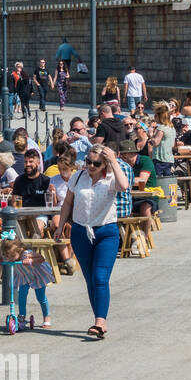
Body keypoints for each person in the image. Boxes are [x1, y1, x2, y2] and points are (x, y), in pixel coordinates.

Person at [56, 144, 129, 340]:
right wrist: (60, 225)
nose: (90, 166)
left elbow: (124, 186)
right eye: (88, 161)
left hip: (106, 232)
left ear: (104, 164)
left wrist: (114, 160)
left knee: (100, 277)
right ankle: (98, 318)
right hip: (81, 232)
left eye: (96, 163)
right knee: (90, 279)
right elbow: (68, 203)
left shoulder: (111, 178)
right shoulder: (78, 176)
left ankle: (100, 321)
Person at [2, 238, 54, 330]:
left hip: (36, 276)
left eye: (12, 256)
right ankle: (22, 316)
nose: (9, 258)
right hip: (24, 277)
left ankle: (47, 316)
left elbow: (41, 258)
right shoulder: (9, 255)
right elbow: (1, 258)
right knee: (22, 295)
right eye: (7, 256)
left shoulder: (26, 254)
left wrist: (30, 260)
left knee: (41, 297)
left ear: (20, 250)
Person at [147, 103, 177, 177]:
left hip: (160, 159)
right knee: (167, 181)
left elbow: (156, 142)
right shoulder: (172, 128)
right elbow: (173, 145)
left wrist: (150, 134)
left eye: (155, 116)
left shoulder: (161, 128)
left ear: (160, 116)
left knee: (159, 182)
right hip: (169, 159)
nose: (154, 118)